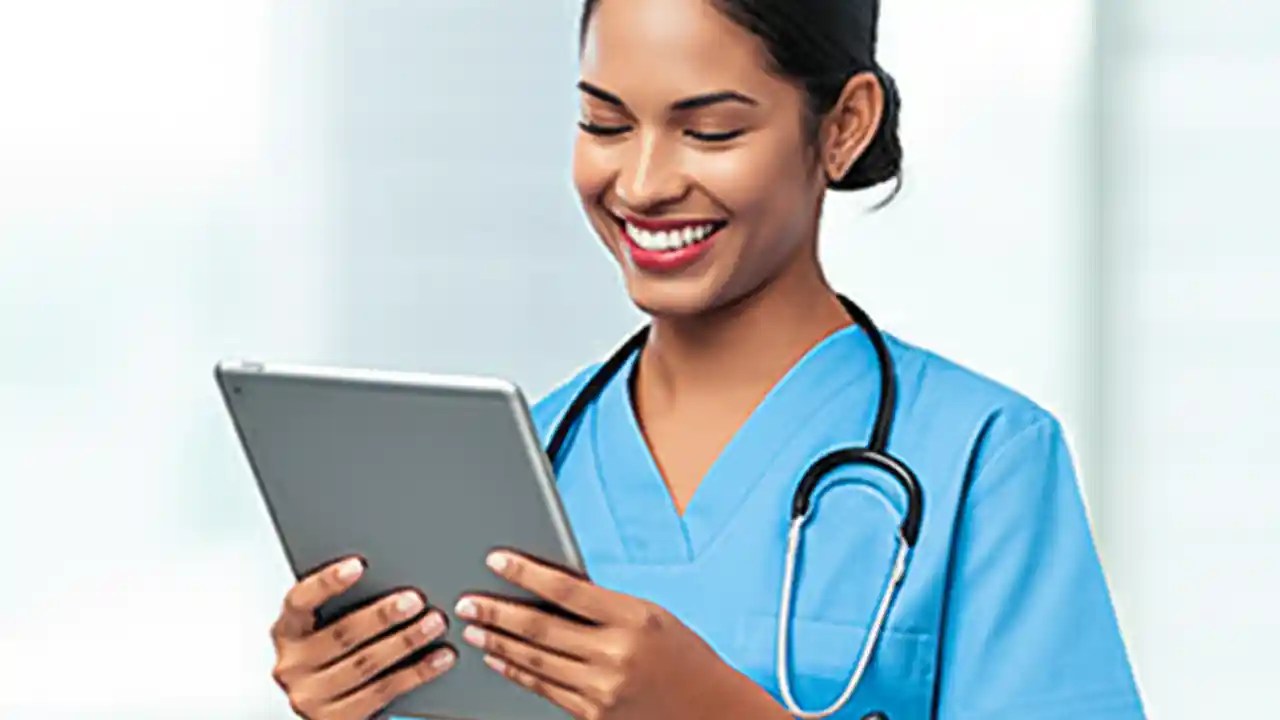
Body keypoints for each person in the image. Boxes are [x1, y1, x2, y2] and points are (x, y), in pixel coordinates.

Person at [265, 0, 1146, 718]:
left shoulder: (984, 458)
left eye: (710, 132)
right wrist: (349, 699)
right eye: (604, 124)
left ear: (843, 126)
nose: (643, 184)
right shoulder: (518, 461)